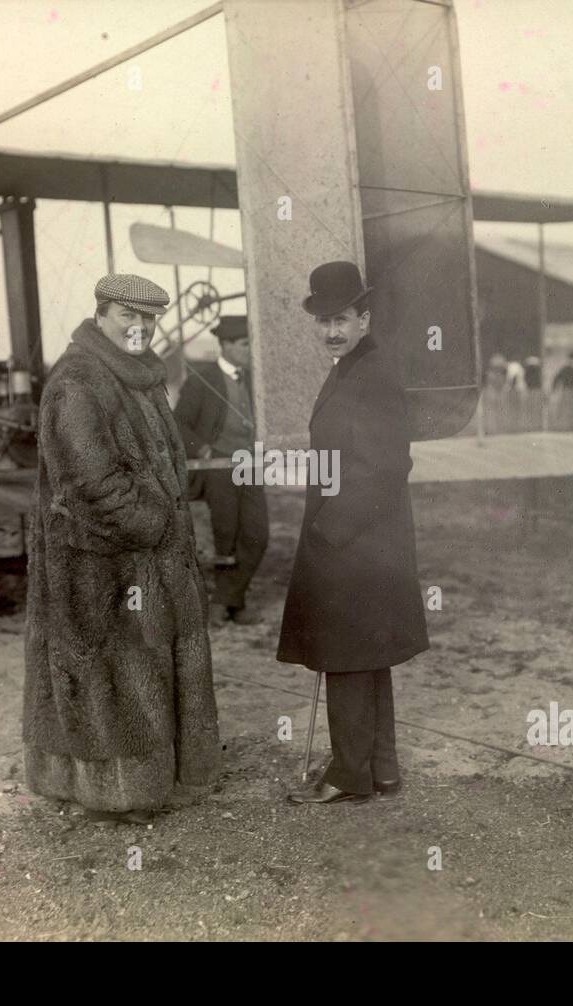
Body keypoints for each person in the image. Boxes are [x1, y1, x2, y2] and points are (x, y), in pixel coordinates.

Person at [22, 273, 220, 819]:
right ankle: (117, 791)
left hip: (142, 560)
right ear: (102, 315)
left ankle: (147, 778)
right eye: (128, 316)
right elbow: (91, 481)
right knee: (112, 676)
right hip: (99, 564)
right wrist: (151, 523)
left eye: (149, 318)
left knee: (141, 673)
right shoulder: (79, 380)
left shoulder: (137, 376)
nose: (140, 327)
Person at [278, 261, 429, 805]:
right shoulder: (350, 367)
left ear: (364, 317)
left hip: (357, 539)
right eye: (323, 321)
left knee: (345, 654)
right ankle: (380, 768)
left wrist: (330, 530)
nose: (331, 331)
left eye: (341, 318)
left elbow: (389, 465)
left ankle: (347, 775)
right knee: (367, 654)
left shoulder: (375, 374)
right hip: (361, 537)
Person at [174, 315, 269, 625]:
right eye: (244, 345)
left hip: (250, 467)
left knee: (256, 534)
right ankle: (228, 603)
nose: (249, 351)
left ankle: (230, 597)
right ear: (226, 345)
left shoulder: (256, 379)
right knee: (225, 535)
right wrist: (203, 448)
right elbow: (178, 422)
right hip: (218, 470)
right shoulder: (202, 379)